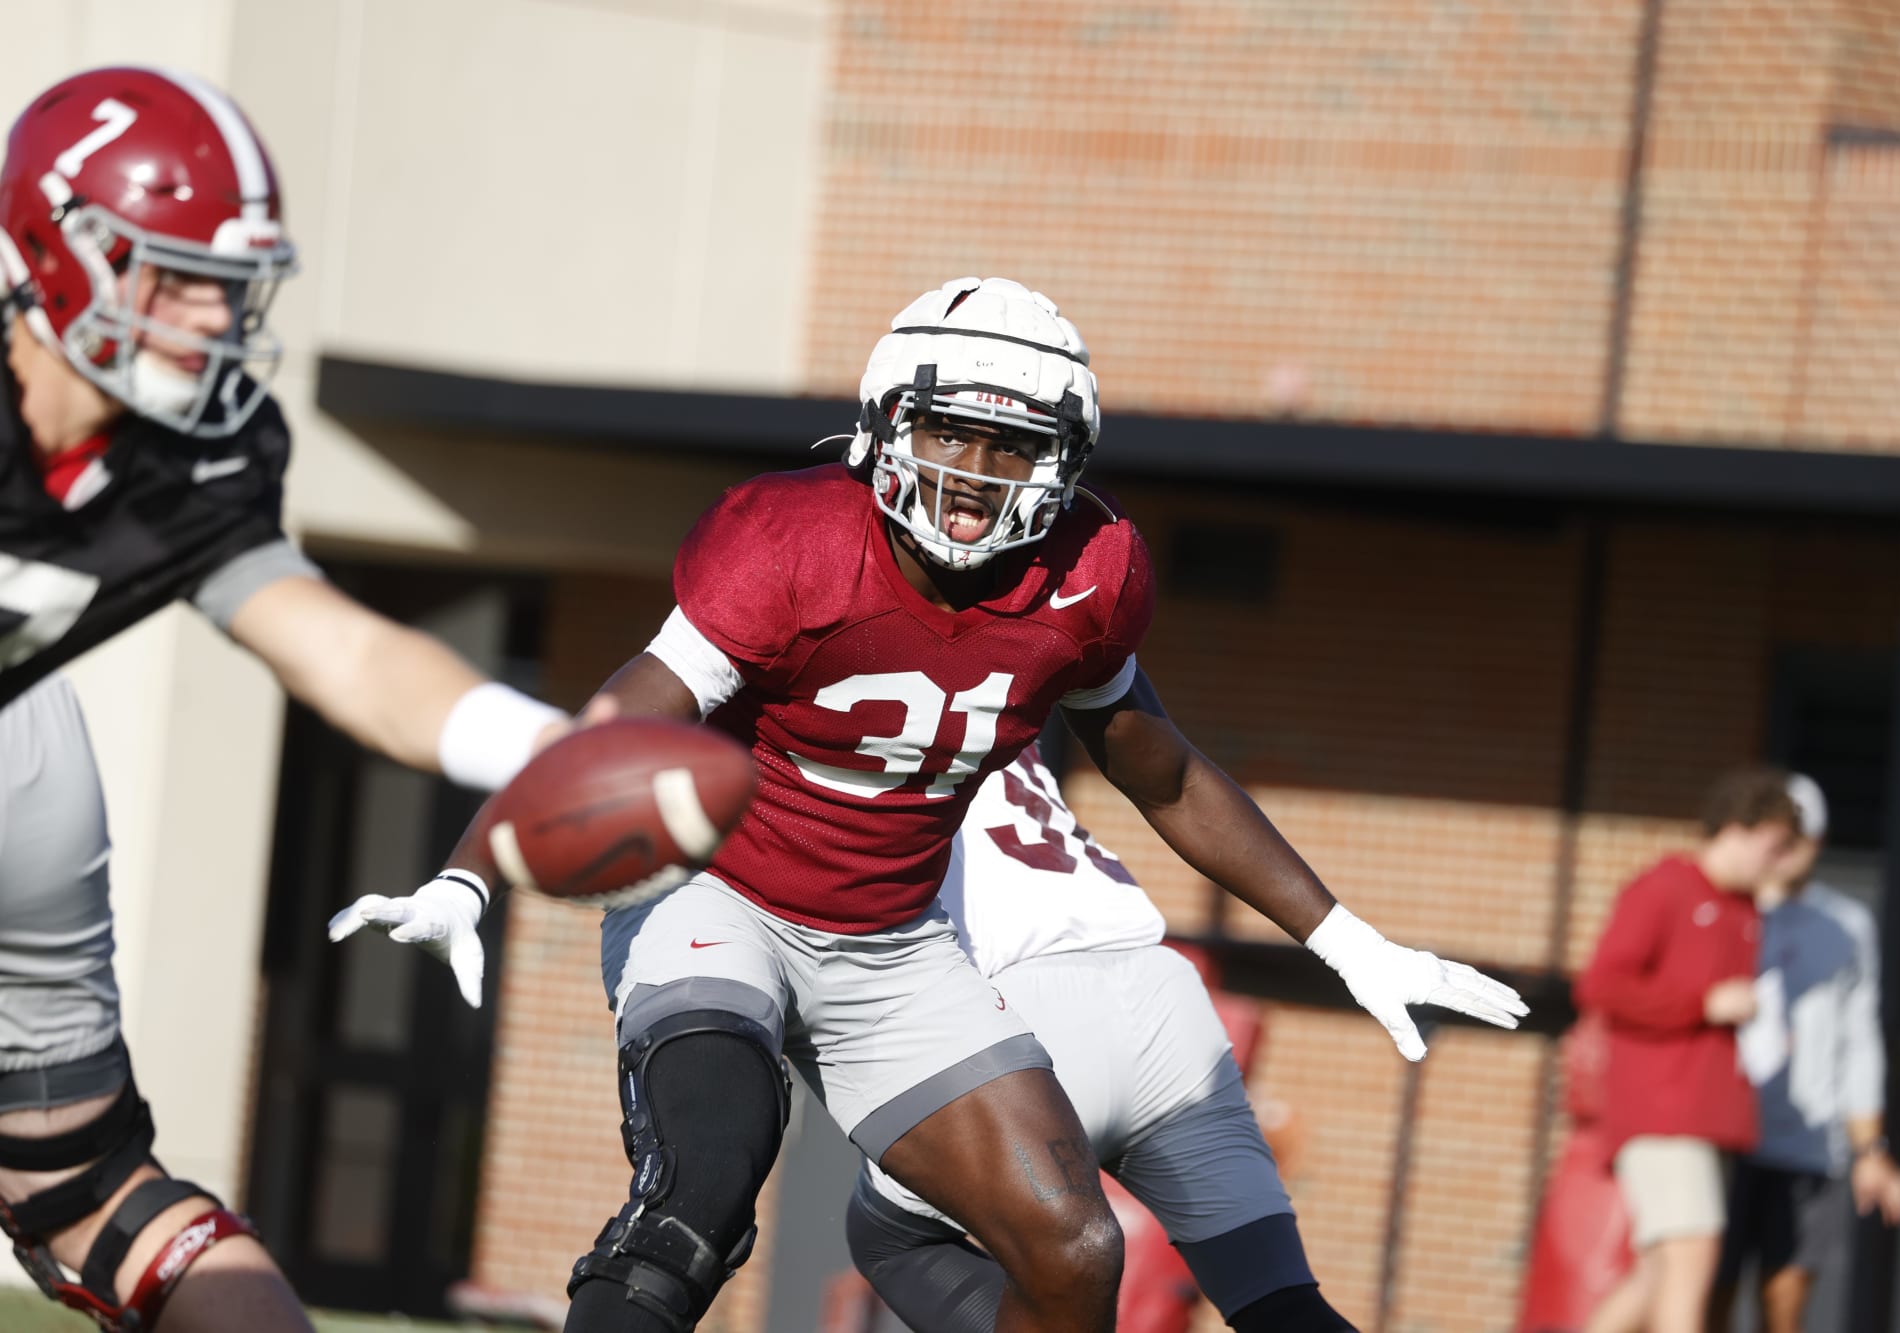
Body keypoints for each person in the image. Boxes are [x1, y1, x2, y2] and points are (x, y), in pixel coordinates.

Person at [336, 276, 1526, 1333]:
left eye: (1011, 448)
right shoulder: (792, 536)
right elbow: (629, 713)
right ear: (883, 425)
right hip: (722, 896)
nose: (971, 474)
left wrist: (1343, 937)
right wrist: (468, 868)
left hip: (890, 943)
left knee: (1074, 1250)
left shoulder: (1087, 573)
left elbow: (1157, 768)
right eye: (948, 431)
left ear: (1064, 460)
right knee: (702, 1189)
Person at [0, 67, 581, 1333]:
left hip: (18, 778)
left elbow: (341, 651)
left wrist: (544, 745)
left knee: (87, 1186)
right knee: (80, 1186)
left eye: (229, 280)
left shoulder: (196, 452)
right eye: (178, 274)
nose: (213, 316)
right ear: (62, 254)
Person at [844, 745, 1358, 1332]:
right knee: (1279, 1298)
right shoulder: (995, 687)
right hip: (1164, 994)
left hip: (1027, 1004)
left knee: (891, 1238)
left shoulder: (824, 699)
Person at [1576, 767, 1802, 1333]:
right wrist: (1703, 1004)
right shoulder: (1663, 888)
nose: (1776, 863)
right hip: (1662, 1115)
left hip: (1708, 1120)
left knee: (1656, 1281)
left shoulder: (1746, 909)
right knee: (1691, 1268)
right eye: (1773, 847)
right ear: (1735, 829)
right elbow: (1602, 984)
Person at [1708, 773, 1900, 1333]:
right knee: (1708, 1299)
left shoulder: (1847, 926)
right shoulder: (1726, 910)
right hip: (1728, 1136)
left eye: (1799, 839)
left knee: (1785, 1302)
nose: (1786, 852)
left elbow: (1860, 1039)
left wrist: (1871, 1149)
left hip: (1809, 1149)